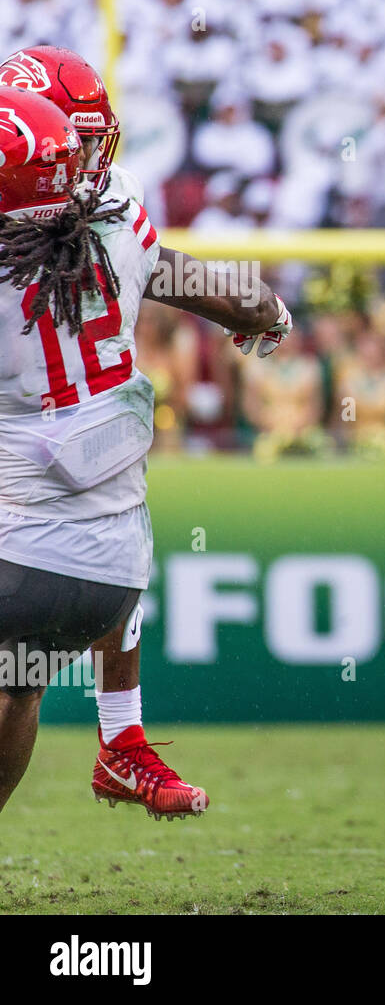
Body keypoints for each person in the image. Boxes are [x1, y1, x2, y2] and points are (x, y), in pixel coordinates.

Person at [0, 86, 291, 819]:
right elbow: (214, 290)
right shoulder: (121, 224)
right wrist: (268, 311)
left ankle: (122, 739)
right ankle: (121, 734)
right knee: (16, 681)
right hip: (108, 587)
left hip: (18, 558)